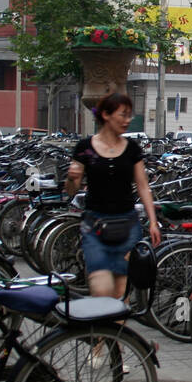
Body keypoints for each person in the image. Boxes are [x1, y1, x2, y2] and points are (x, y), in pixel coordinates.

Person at [65, 92, 161, 302]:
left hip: (127, 226)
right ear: (106, 115)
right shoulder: (85, 148)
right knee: (101, 289)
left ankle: (112, 335)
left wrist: (153, 221)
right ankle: (100, 334)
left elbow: (143, 187)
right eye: (123, 115)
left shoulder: (132, 149)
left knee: (121, 295)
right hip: (94, 226)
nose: (127, 121)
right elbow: (71, 191)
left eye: (129, 116)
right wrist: (71, 179)